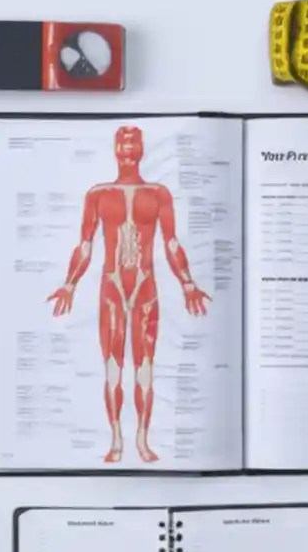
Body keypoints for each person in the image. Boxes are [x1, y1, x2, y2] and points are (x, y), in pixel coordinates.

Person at [47, 126, 211, 462]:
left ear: (142, 149)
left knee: (145, 368)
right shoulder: (98, 194)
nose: (127, 146)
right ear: (114, 149)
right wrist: (70, 283)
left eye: (133, 142)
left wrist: (188, 283)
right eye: (123, 142)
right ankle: (116, 440)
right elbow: (85, 245)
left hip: (145, 286)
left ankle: (141, 440)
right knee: (113, 367)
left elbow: (171, 243)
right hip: (112, 286)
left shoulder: (158, 193)